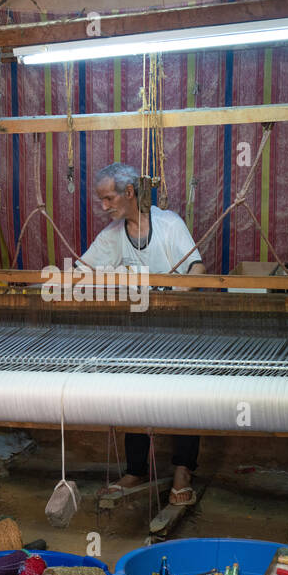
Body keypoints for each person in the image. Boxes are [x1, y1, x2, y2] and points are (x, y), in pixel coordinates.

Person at [80, 162, 205, 507]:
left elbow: (197, 268)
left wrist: (172, 299)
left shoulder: (169, 225)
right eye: (101, 199)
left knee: (184, 398)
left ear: (129, 192)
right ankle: (136, 469)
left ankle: (183, 471)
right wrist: (32, 288)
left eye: (109, 198)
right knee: (132, 394)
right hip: (137, 333)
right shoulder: (111, 236)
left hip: (177, 329)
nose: (103, 206)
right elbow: (80, 273)